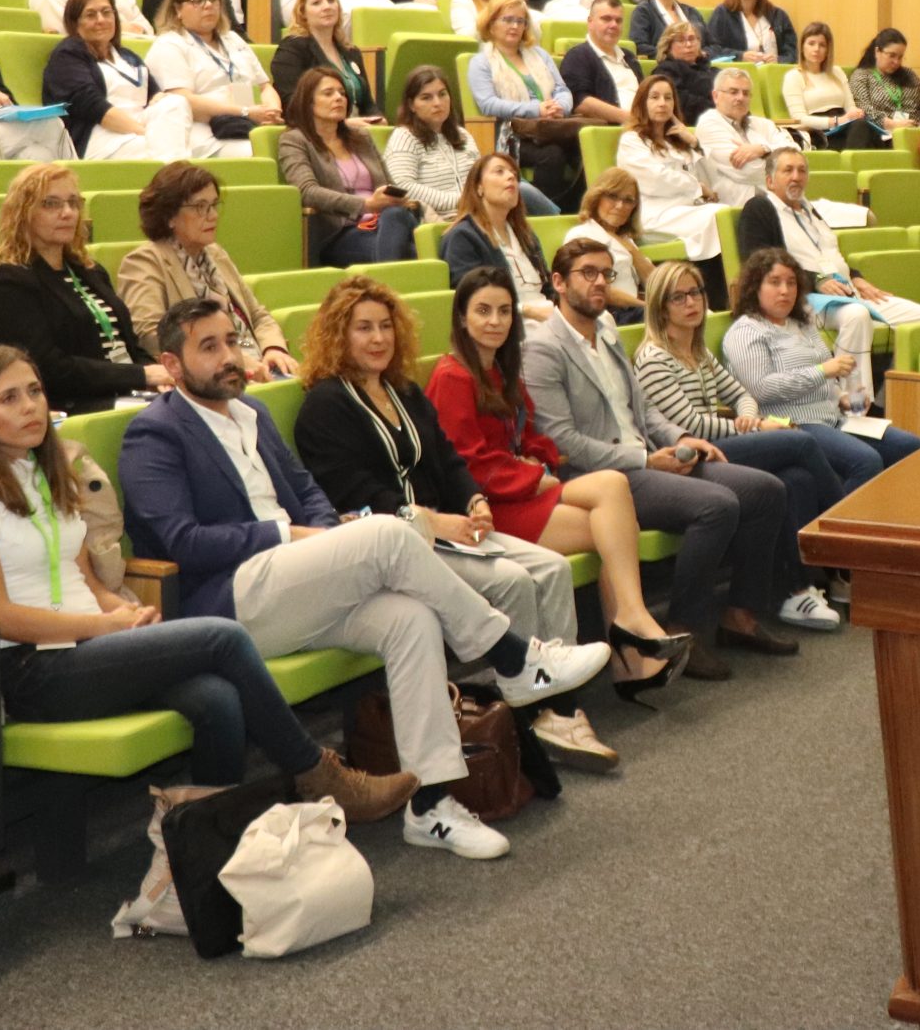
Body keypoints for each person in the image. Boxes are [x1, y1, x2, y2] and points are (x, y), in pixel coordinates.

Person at [123, 296, 608, 857]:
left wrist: (324, 532)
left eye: (232, 341)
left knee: (411, 618)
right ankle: (514, 656)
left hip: (296, 581)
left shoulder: (250, 413)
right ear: (173, 363)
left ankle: (431, 804)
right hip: (229, 599)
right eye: (209, 347)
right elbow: (181, 542)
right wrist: (295, 536)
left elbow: (306, 491)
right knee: (390, 532)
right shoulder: (154, 432)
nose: (229, 355)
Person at [0, 343, 412, 819]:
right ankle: (319, 775)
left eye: (34, 391)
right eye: (9, 398)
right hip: (34, 668)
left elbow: (84, 579)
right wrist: (104, 627)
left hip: (91, 644)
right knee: (221, 636)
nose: (30, 406)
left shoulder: (46, 473)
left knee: (218, 700)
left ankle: (213, 840)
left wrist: (118, 611)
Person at [295, 280, 616, 769]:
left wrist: (473, 498)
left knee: (551, 569)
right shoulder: (325, 405)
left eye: (385, 326)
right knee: (511, 581)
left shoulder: (401, 391)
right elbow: (351, 493)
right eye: (364, 328)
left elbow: (447, 457)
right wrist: (437, 522)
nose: (378, 338)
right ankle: (534, 714)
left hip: (450, 528)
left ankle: (558, 706)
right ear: (339, 335)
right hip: (397, 542)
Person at [526, 238, 797, 675]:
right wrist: (647, 460)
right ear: (558, 282)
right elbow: (560, 441)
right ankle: (681, 628)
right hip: (599, 477)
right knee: (717, 505)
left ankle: (739, 615)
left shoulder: (608, 329)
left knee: (766, 490)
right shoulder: (543, 348)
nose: (600, 283)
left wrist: (684, 437)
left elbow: (645, 410)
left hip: (649, 458)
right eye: (588, 274)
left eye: (606, 274)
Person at [429, 266, 687, 699]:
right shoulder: (453, 376)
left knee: (611, 502)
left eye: (505, 311)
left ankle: (632, 634)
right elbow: (466, 462)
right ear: (461, 318)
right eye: (483, 311)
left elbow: (534, 435)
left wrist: (540, 460)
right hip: (491, 504)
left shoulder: (502, 369)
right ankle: (632, 633)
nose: (495, 321)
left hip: (520, 489)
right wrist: (534, 475)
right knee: (616, 527)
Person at [633, 258, 862, 624]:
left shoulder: (700, 353)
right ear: (660, 306)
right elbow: (691, 425)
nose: (691, 303)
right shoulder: (654, 359)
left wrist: (748, 416)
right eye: (678, 298)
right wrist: (750, 429)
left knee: (796, 479)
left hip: (725, 441)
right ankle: (847, 550)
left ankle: (797, 590)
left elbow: (742, 394)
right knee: (799, 443)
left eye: (696, 293)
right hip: (690, 457)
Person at [735, 147, 920, 409]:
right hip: (802, 297)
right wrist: (814, 280)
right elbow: (758, 263)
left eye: (802, 170)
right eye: (788, 170)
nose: (796, 177)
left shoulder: (811, 210)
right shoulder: (760, 208)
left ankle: (892, 402)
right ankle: (854, 407)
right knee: (855, 315)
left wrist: (856, 277)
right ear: (770, 180)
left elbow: (828, 254)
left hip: (845, 290)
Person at [722, 246, 920, 477]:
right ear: (755, 287)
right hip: (791, 423)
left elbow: (825, 376)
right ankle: (840, 513)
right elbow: (760, 388)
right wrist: (821, 371)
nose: (785, 291)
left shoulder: (802, 324)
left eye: (791, 283)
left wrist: (843, 398)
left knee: (911, 447)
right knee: (865, 461)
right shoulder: (747, 330)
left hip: (833, 418)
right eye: (775, 282)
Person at [0, 162, 167, 412]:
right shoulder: (13, 281)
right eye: (51, 204)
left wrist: (160, 376)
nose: (68, 213)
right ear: (23, 214)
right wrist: (141, 375)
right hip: (74, 401)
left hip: (127, 390)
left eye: (73, 203)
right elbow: (46, 368)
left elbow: (131, 346)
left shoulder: (91, 271)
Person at [118, 164, 297, 384]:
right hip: (205, 379)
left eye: (213, 205)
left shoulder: (216, 253)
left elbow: (257, 314)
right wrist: (232, 358)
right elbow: (151, 335)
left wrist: (274, 348)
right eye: (199, 207)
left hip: (255, 364)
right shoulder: (145, 261)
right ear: (169, 216)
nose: (212, 215)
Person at [277, 69, 422, 267]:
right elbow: (307, 191)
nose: (338, 98)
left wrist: (393, 198)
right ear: (308, 101)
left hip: (384, 223)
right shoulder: (295, 140)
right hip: (341, 233)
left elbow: (388, 184)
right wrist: (366, 205)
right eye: (328, 93)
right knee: (415, 252)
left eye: (342, 93)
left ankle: (388, 283)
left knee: (396, 218)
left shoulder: (361, 137)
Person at [43, 0, 182, 159]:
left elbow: (155, 94)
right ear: (75, 22)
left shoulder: (128, 56)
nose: (101, 20)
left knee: (176, 103)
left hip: (141, 128)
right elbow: (95, 108)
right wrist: (147, 134)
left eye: (106, 12)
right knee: (162, 151)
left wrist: (159, 117)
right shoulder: (67, 55)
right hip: (100, 137)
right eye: (91, 15)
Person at [144, 0, 275, 156]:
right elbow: (185, 101)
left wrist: (271, 110)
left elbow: (264, 87)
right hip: (205, 134)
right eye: (197, 0)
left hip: (249, 124)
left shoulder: (233, 39)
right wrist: (245, 111)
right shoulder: (169, 44)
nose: (208, 5)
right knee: (261, 153)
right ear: (177, 9)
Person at [617, 71, 727, 297]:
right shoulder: (632, 140)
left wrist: (694, 143)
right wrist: (697, 188)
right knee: (720, 216)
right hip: (654, 214)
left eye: (668, 98)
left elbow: (712, 181)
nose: (662, 103)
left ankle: (720, 293)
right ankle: (716, 296)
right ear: (642, 103)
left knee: (726, 215)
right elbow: (656, 179)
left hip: (686, 210)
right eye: (654, 97)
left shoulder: (678, 141)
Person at [468, 0, 582, 210]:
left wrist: (560, 107)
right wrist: (535, 109)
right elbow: (488, 104)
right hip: (513, 133)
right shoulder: (481, 62)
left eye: (520, 21)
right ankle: (546, 214)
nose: (515, 26)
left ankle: (577, 209)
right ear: (491, 23)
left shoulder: (539, 54)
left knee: (584, 146)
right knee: (552, 155)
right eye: (508, 19)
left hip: (551, 126)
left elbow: (562, 89)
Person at [440, 152, 559, 322]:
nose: (511, 176)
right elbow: (471, 298)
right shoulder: (463, 236)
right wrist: (528, 311)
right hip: (505, 326)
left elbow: (548, 288)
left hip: (547, 319)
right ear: (479, 187)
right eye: (499, 171)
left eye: (514, 173)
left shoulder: (525, 234)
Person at [269, 0, 378, 120]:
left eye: (331, 1)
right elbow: (292, 104)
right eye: (316, 3)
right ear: (303, 12)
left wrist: (378, 119)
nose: (327, 7)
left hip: (358, 131)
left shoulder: (351, 51)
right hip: (315, 133)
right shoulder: (292, 48)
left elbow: (368, 104)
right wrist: (343, 125)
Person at [385, 65, 481, 222]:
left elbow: (480, 177)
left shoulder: (463, 135)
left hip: (478, 215)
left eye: (442, 94)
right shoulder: (404, 137)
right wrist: (462, 200)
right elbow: (402, 186)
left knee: (520, 190)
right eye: (426, 97)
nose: (438, 103)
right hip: (437, 220)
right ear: (411, 105)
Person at [696, 64, 798, 209]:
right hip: (735, 207)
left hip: (775, 202)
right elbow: (747, 171)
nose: (740, 98)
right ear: (716, 96)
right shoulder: (709, 124)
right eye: (733, 92)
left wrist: (762, 149)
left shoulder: (763, 124)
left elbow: (795, 152)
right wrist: (784, 166)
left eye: (745, 93)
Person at [564, 169, 654, 322]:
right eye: (612, 196)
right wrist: (646, 306)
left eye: (628, 200)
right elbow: (594, 289)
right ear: (597, 197)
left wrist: (631, 250)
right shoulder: (582, 234)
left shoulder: (627, 240)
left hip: (634, 310)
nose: (620, 206)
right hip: (606, 313)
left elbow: (656, 281)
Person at [780, 19, 879, 148]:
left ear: (828, 50)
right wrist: (835, 121)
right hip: (819, 132)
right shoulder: (793, 77)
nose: (816, 49)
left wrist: (856, 113)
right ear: (802, 47)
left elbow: (850, 106)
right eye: (811, 43)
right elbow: (799, 118)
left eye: (822, 45)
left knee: (874, 133)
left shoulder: (837, 72)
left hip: (845, 125)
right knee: (862, 132)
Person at [560, 0, 644, 128]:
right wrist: (632, 119)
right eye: (606, 19)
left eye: (619, 20)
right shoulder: (577, 56)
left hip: (643, 130)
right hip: (611, 132)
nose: (613, 25)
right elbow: (580, 102)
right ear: (590, 22)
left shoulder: (629, 58)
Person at [706, 0, 795, 65]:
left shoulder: (778, 15)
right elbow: (710, 49)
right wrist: (740, 56)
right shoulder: (722, 13)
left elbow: (792, 54)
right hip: (736, 74)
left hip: (774, 73)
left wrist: (779, 60)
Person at [849, 26, 920, 138]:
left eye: (900, 57)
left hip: (914, 132)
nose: (896, 62)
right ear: (877, 52)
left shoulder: (909, 74)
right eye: (892, 56)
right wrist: (893, 124)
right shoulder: (862, 76)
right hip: (881, 134)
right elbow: (863, 110)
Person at [652, 18, 718, 123]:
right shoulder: (665, 71)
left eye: (692, 39)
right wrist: (720, 109)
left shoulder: (713, 71)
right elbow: (681, 104)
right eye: (681, 40)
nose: (688, 44)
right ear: (668, 46)